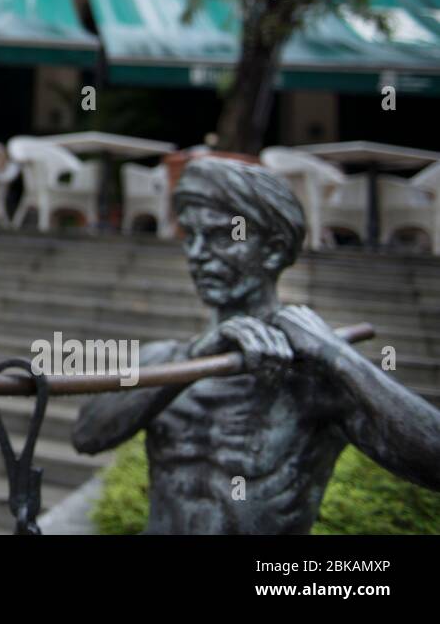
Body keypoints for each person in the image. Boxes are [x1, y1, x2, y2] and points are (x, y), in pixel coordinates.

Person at [72, 156, 440, 533]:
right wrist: (196, 356)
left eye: (218, 236)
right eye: (190, 235)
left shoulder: (318, 382)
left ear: (274, 249)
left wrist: (338, 357)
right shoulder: (166, 362)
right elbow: (86, 436)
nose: (196, 253)